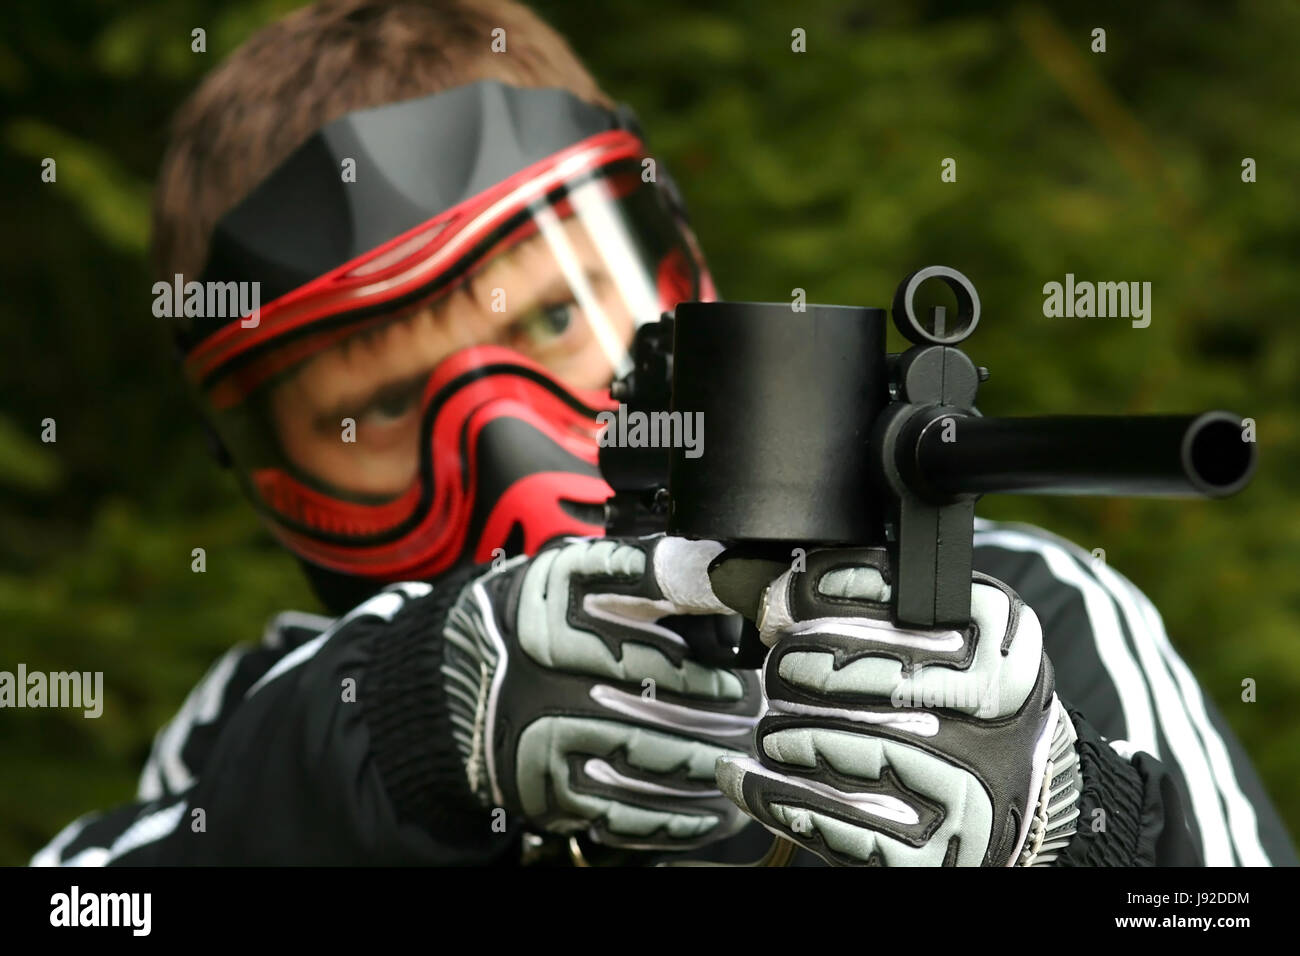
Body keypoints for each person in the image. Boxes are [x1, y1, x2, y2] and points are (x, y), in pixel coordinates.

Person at [33, 0, 1295, 867]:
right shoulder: (269, 718)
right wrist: (399, 741)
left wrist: (1084, 827)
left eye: (552, 321)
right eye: (387, 406)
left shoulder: (1015, 623)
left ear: (681, 288)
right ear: (276, 482)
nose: (507, 447)